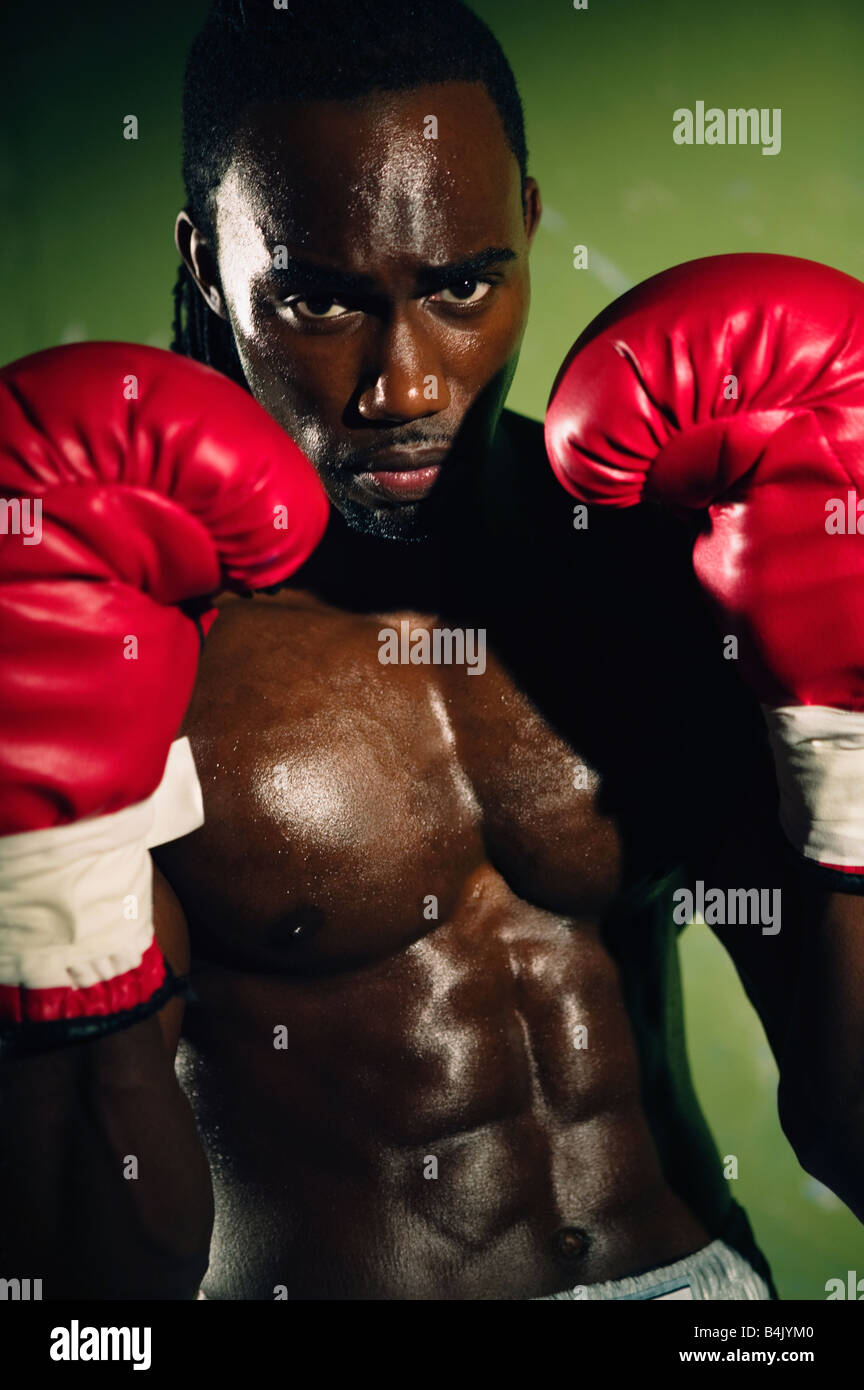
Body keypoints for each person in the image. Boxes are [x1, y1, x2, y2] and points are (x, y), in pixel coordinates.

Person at [1, 0, 860, 1301]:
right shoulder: (130, 632)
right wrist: (40, 895)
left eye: (462, 285)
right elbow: (100, 1290)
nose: (402, 386)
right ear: (205, 261)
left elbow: (852, 1142)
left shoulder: (660, 570)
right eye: (316, 300)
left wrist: (848, 750)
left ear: (524, 214)